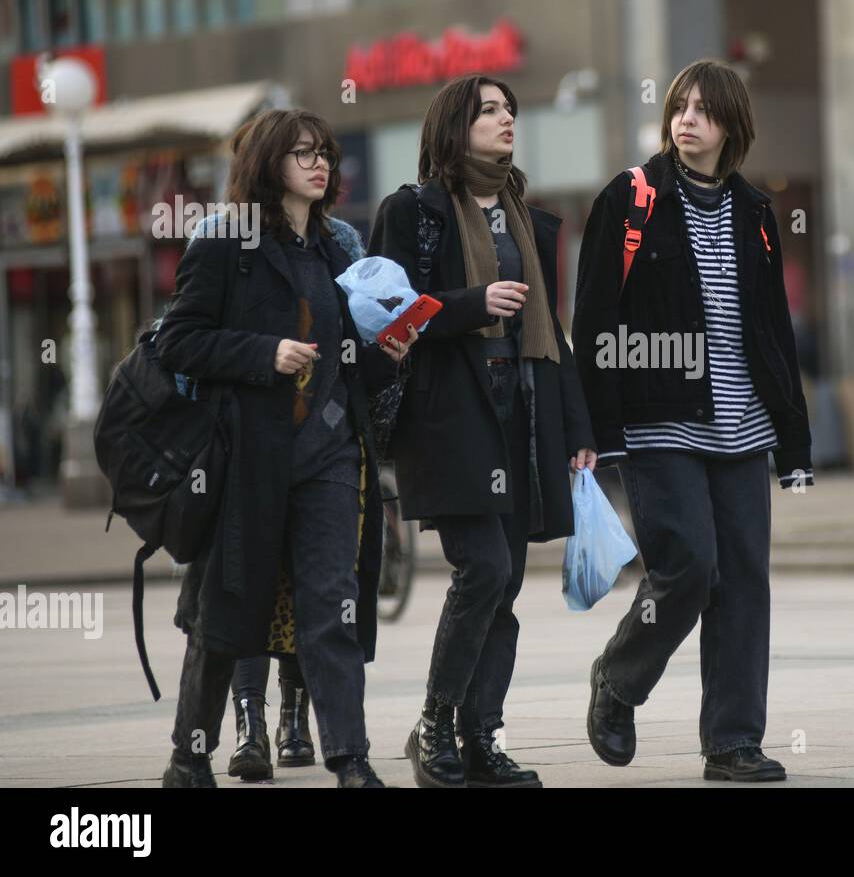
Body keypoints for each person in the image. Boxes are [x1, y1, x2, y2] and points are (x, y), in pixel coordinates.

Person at [156, 108, 414, 787]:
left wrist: (389, 353)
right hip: (250, 458)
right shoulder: (225, 243)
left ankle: (350, 759)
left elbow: (349, 364)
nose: (319, 163)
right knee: (228, 612)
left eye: (324, 152)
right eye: (302, 153)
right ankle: (189, 756)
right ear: (268, 163)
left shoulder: (337, 250)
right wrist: (262, 351)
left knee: (329, 610)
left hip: (330, 457)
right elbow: (177, 341)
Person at [572, 59, 814, 783]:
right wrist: (598, 428)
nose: (688, 119)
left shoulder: (755, 214)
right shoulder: (631, 200)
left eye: (705, 111)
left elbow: (773, 330)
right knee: (689, 571)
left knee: (743, 580)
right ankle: (618, 679)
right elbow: (594, 319)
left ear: (731, 127)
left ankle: (733, 742)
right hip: (658, 424)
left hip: (742, 430)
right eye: (680, 106)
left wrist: (793, 444)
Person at [369, 75, 596, 788]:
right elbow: (385, 316)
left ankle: (480, 738)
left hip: (521, 412)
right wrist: (471, 304)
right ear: (454, 124)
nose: (506, 120)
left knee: (505, 587)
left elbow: (550, 330)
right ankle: (433, 727)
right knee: (485, 570)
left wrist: (577, 427)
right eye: (489, 110)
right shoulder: (413, 212)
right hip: (449, 415)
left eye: (510, 110)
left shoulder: (525, 213)